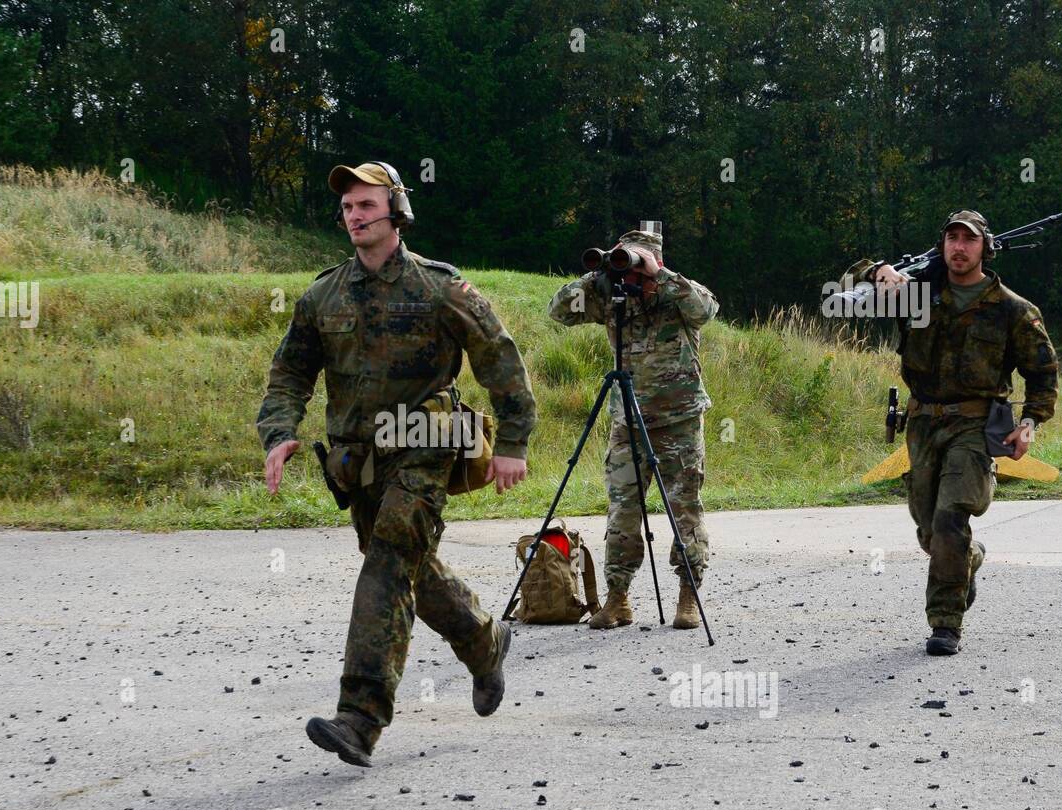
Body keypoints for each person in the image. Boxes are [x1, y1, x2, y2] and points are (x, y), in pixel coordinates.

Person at [257, 161, 537, 766]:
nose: (354, 217)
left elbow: (500, 358)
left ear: (396, 213)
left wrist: (513, 443)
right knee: (411, 570)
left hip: (425, 444)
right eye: (348, 209)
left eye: (365, 205)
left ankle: (360, 718)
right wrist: (278, 432)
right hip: (358, 461)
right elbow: (290, 372)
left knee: (386, 563)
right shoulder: (323, 294)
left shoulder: (440, 287)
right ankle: (485, 642)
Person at [842, 210, 1058, 655]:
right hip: (922, 423)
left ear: (985, 248)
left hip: (975, 425)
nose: (959, 247)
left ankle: (945, 625)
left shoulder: (1013, 310)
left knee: (949, 518)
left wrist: (1029, 424)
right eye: (952, 239)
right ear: (942, 246)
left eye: (969, 240)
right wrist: (878, 271)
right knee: (929, 531)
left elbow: (1043, 375)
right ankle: (968, 560)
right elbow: (846, 293)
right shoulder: (916, 296)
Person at [548, 226, 717, 630]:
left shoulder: (678, 294)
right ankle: (618, 598)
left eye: (635, 263)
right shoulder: (611, 294)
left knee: (684, 510)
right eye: (625, 263)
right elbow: (558, 310)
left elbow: (707, 310)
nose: (631, 274)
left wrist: (657, 273)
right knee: (622, 512)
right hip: (628, 419)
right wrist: (598, 274)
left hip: (678, 419)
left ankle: (688, 595)